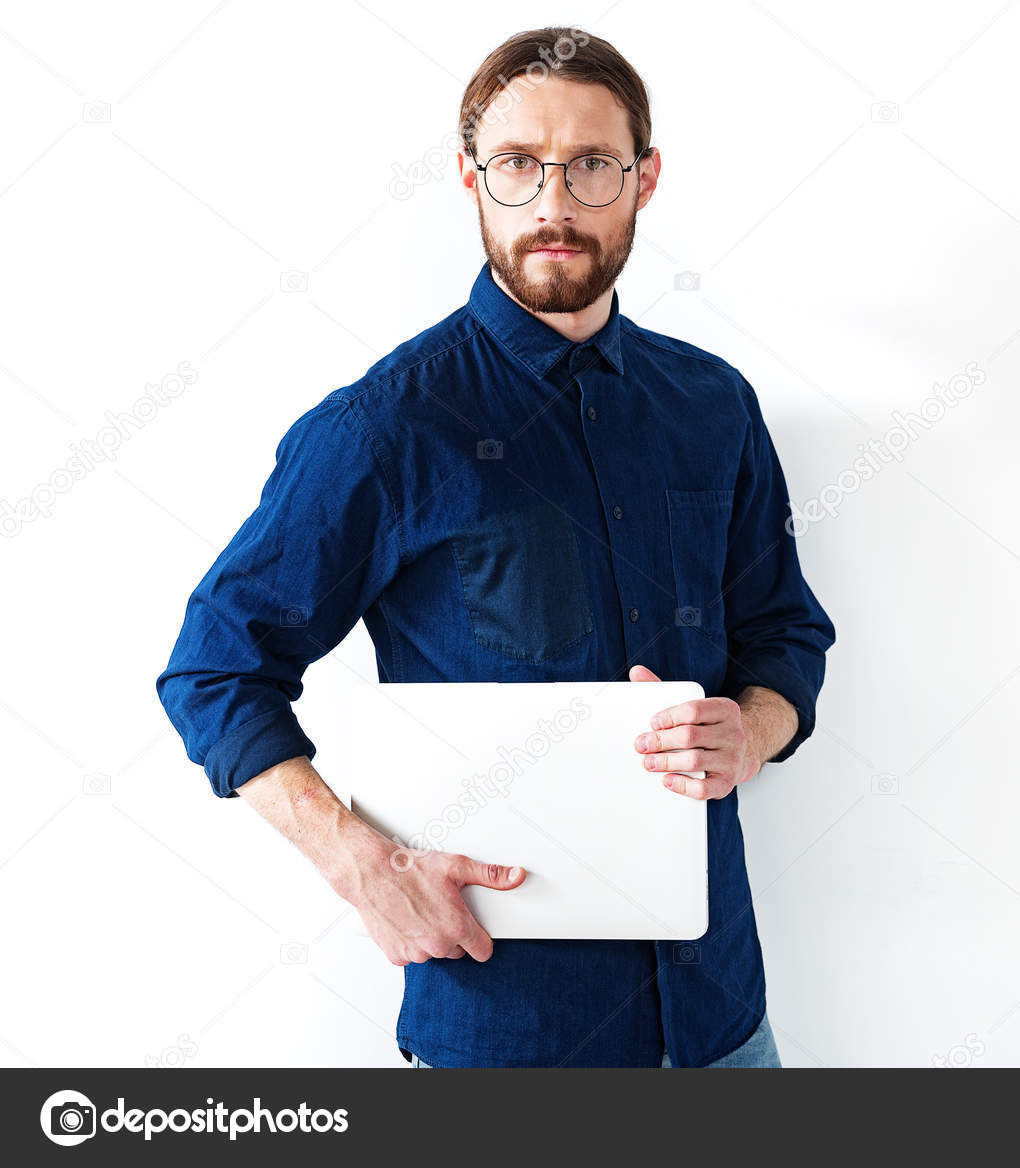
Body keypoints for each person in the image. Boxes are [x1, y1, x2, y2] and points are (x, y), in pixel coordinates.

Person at [155, 27, 835, 1069]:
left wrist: (751, 730)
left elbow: (784, 632)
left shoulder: (712, 404)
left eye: (591, 164)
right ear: (472, 178)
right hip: (508, 1035)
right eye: (520, 163)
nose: (554, 203)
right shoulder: (386, 426)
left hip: (723, 1019)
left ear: (645, 179)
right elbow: (215, 669)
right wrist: (358, 862)